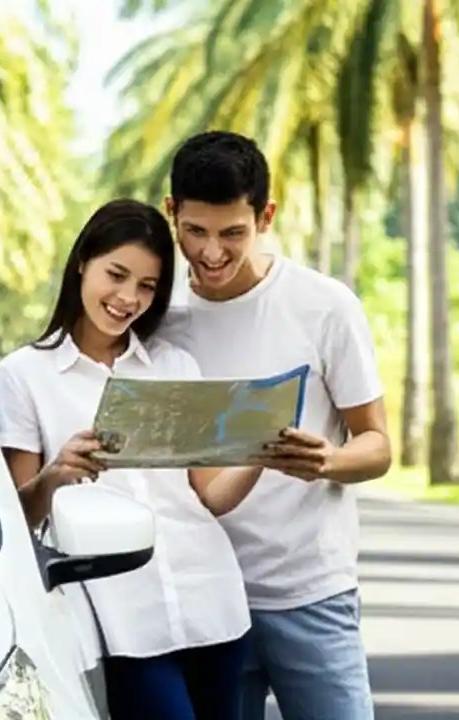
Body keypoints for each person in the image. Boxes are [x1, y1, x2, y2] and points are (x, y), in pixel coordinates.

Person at [0, 198, 268, 720]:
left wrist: (261, 453)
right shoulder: (24, 375)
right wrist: (55, 476)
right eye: (116, 275)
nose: (127, 298)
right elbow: (16, 522)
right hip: (123, 622)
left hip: (213, 604)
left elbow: (211, 495)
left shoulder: (174, 365)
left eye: (146, 286)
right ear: (82, 264)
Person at [156, 130, 392, 720]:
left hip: (309, 591)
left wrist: (327, 461)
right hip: (203, 599)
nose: (212, 253)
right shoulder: (158, 320)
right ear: (172, 214)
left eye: (233, 233)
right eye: (195, 232)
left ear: (265, 216)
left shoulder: (323, 306)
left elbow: (379, 445)